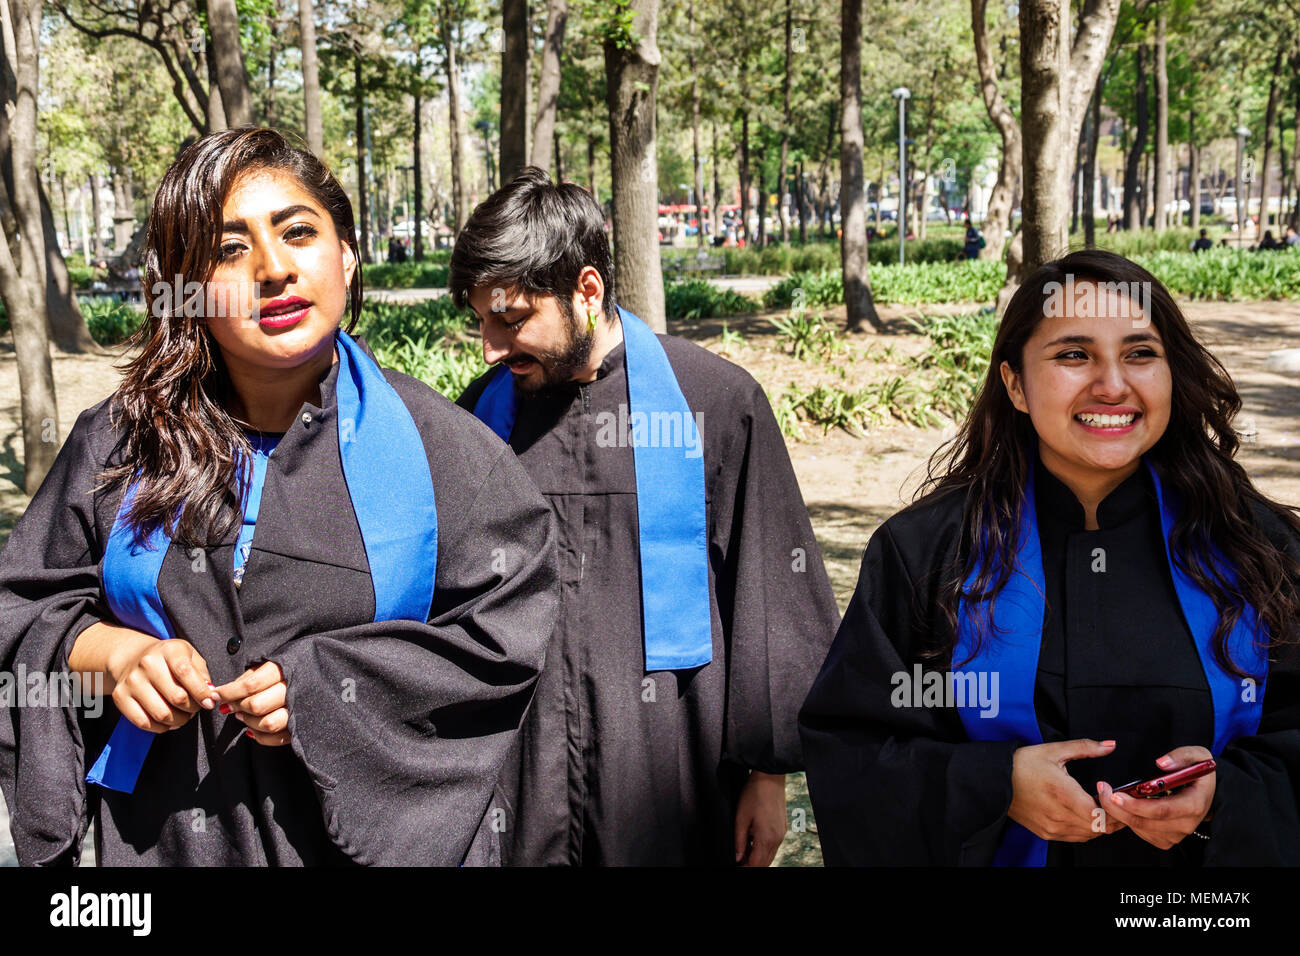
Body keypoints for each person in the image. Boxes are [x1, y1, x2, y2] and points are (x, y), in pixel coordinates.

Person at [0, 128, 559, 866]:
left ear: (347, 253)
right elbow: (18, 608)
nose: (273, 268)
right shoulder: (118, 445)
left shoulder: (447, 456)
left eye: (299, 232)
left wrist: (331, 696)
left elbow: (502, 646)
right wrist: (104, 653)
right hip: (164, 841)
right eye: (230, 249)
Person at [800, 249, 1300, 866]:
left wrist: (1226, 799)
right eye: (1073, 355)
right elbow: (853, 748)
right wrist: (995, 784)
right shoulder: (928, 554)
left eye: (1140, 354)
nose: (1113, 385)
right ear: (1015, 384)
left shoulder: (1255, 549)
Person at [451, 167, 840, 866]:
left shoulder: (713, 405)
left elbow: (768, 596)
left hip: (670, 770)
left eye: (510, 321)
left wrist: (769, 775)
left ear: (587, 290)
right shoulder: (477, 420)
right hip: (521, 779)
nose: (490, 346)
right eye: (480, 320)